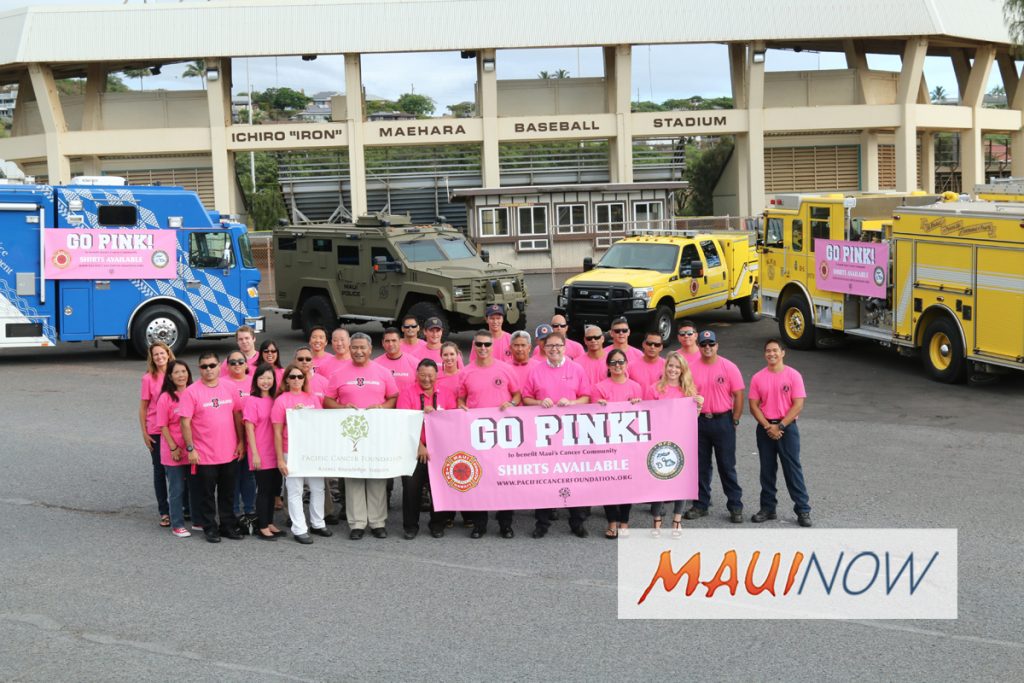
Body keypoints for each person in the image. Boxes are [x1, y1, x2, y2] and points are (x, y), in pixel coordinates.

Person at [324, 332, 398, 539]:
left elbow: (393, 397)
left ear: (370, 348)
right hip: (350, 435)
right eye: (354, 347)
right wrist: (341, 407)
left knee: (375, 476)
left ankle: (377, 522)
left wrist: (382, 407)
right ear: (350, 349)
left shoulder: (382, 372)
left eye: (362, 348)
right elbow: (327, 401)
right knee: (354, 477)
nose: (358, 351)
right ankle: (357, 523)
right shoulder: (338, 373)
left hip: (376, 433)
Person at [522, 331, 592, 539]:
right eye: (550, 346)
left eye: (558, 346)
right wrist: (537, 403)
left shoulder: (577, 369)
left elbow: (586, 397)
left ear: (565, 347)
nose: (554, 349)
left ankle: (577, 522)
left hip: (571, 434)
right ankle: (542, 523)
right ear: (543, 348)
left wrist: (572, 403)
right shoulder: (536, 370)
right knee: (545, 480)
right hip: (545, 436)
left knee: (574, 478)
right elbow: (526, 398)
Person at [457, 329, 521, 539]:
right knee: (480, 480)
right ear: (474, 346)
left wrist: (511, 403)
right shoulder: (466, 372)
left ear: (493, 346)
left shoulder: (505, 369)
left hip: (502, 435)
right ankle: (480, 524)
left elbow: (518, 394)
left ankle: (506, 524)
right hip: (477, 435)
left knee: (504, 479)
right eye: (479, 344)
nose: (483, 348)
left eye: (487, 344)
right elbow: (460, 399)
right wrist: (462, 407)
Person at [179, 351, 245, 543]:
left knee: (228, 492)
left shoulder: (230, 387)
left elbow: (237, 415)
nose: (209, 369)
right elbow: (185, 423)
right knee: (207, 494)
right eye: (204, 366)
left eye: (212, 365)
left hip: (230, 452)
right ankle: (210, 527)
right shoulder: (191, 391)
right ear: (199, 369)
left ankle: (227, 526)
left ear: (219, 366)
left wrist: (241, 441)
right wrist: (190, 449)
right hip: (204, 454)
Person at [748, 339, 812, 527]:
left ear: (782, 353)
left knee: (792, 469)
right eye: (768, 351)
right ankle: (768, 508)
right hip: (765, 427)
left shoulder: (793, 376)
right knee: (767, 470)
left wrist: (781, 426)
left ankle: (803, 510)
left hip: (787, 428)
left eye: (775, 350)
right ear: (764, 354)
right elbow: (753, 405)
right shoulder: (758, 377)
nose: (771, 354)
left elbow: (798, 404)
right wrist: (768, 426)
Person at [684, 330, 745, 523]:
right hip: (699, 421)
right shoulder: (691, 368)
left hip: (723, 420)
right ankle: (701, 504)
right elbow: (685, 394)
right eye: (703, 345)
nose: (707, 348)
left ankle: (735, 505)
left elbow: (739, 394)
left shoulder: (729, 367)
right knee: (701, 465)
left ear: (717, 346)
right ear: (699, 346)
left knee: (727, 465)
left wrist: (735, 419)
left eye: (711, 344)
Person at [397, 358, 457, 539]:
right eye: (422, 375)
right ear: (416, 375)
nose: (426, 379)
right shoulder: (407, 393)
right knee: (411, 490)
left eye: (430, 375)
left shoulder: (446, 393)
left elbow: (453, 421)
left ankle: (437, 524)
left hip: (439, 451)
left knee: (439, 489)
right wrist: (419, 445)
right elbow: (403, 423)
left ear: (436, 375)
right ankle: (410, 526)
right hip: (414, 449)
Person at [646, 352, 704, 536]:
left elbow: (692, 418)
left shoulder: (689, 391)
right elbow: (647, 415)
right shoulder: (653, 389)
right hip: (659, 442)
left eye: (677, 367)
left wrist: (699, 407)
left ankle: (677, 521)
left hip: (681, 441)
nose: (673, 369)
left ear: (682, 370)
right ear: (665, 367)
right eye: (670, 365)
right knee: (659, 482)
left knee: (681, 482)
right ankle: (657, 520)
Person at [273, 363, 329, 544]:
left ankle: (318, 523)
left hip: (312, 450)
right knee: (295, 490)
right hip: (291, 450)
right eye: (292, 377)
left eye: (300, 377)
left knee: (317, 488)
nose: (296, 380)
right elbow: (277, 431)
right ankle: (299, 528)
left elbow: (320, 425)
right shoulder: (281, 400)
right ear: (287, 380)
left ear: (305, 379)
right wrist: (280, 458)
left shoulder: (312, 398)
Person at [591, 348, 644, 539]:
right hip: (608, 444)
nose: (617, 366)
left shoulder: (636, 387)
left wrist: (638, 405)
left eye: (621, 362)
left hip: (628, 444)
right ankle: (611, 521)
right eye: (613, 363)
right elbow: (594, 419)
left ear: (626, 364)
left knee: (626, 485)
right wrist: (599, 408)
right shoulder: (599, 388)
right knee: (609, 485)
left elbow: (642, 418)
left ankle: (624, 522)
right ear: (608, 366)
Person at [243, 363, 287, 540]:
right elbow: (249, 428)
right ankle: (262, 526)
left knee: (274, 489)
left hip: (276, 451)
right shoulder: (252, 401)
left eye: (269, 378)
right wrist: (254, 453)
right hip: (260, 452)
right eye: (262, 378)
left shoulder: (277, 399)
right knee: (263, 490)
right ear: (256, 380)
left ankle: (269, 522)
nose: (266, 381)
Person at [139, 341, 175, 527]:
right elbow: (143, 407)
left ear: (168, 354)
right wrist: (144, 433)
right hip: (156, 430)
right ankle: (164, 510)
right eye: (156, 355)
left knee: (177, 472)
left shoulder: (176, 372)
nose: (160, 357)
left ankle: (181, 507)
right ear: (152, 358)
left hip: (176, 428)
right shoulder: (148, 379)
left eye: (162, 353)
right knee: (160, 471)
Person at [155, 359, 192, 538]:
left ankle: (195, 518)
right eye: (176, 372)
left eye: (183, 371)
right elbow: (162, 426)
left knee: (193, 487)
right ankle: (177, 523)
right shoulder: (165, 398)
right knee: (177, 489)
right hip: (174, 451)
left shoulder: (193, 393)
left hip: (192, 449)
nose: (181, 375)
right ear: (170, 376)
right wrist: (173, 448)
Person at [222, 350, 255, 522]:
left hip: (253, 437)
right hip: (230, 437)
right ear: (227, 366)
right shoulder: (222, 383)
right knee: (232, 475)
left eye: (240, 362)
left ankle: (250, 509)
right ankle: (233, 510)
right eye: (233, 362)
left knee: (248, 475)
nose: (237, 365)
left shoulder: (253, 383)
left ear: (246, 364)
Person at [376, 326, 420, 392]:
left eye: (394, 340)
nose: (390, 344)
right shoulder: (376, 364)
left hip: (407, 402)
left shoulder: (415, 363)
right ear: (383, 343)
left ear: (400, 342)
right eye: (387, 341)